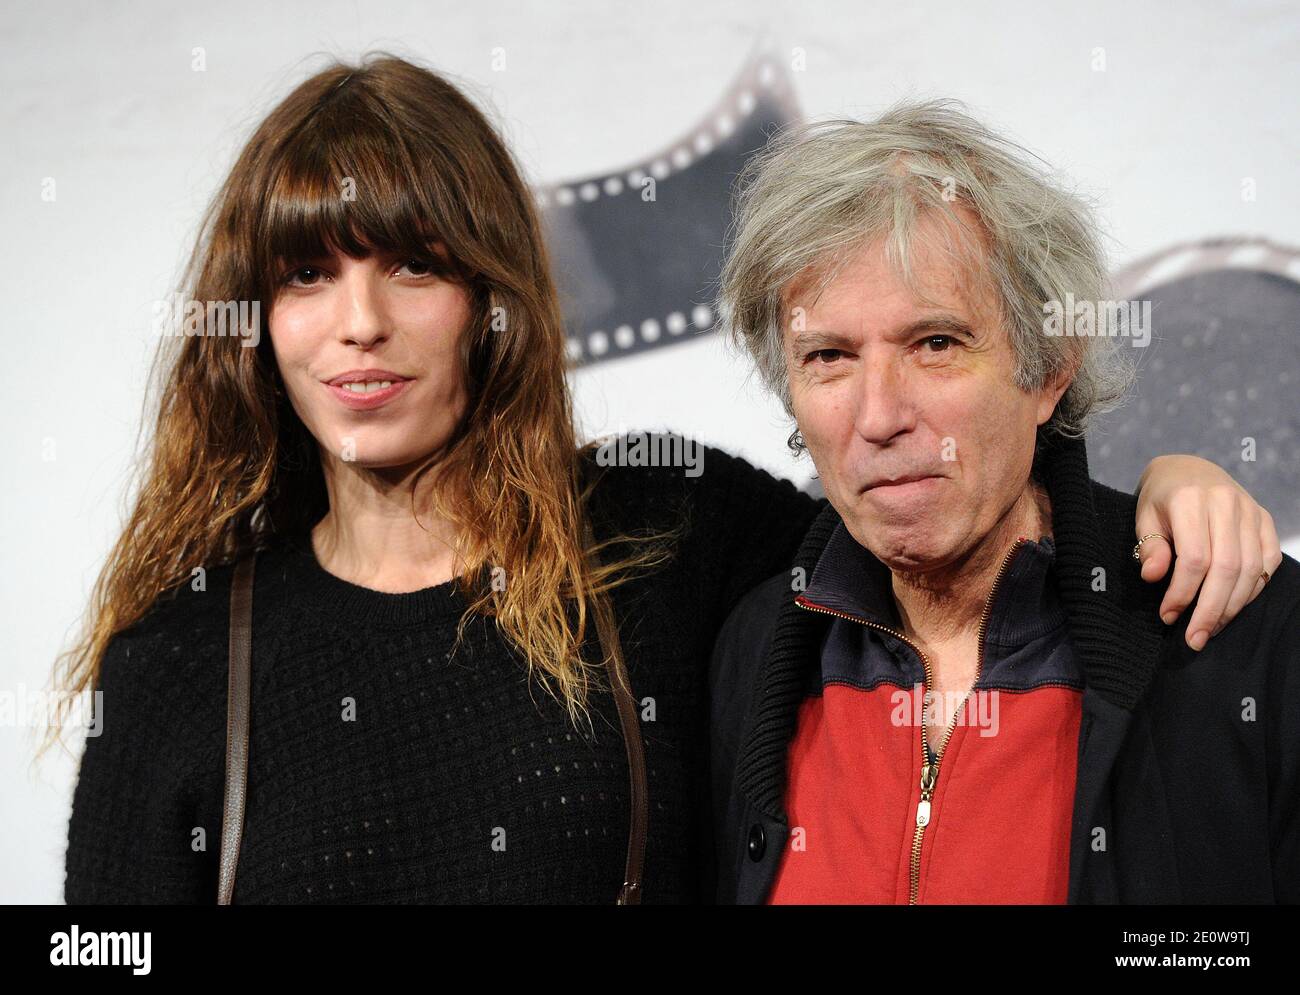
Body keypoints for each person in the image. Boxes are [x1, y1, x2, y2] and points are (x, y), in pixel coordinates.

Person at [43, 57, 1278, 904]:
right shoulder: (179, 663)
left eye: (414, 268)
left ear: (495, 302)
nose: (358, 324)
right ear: (254, 318)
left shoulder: (667, 531)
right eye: (306, 275)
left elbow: (928, 514)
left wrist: (1159, 488)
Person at [709, 98, 1296, 904]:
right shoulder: (752, 651)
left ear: (1049, 367)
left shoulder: (1249, 639)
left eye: (937, 343)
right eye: (830, 356)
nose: (879, 416)